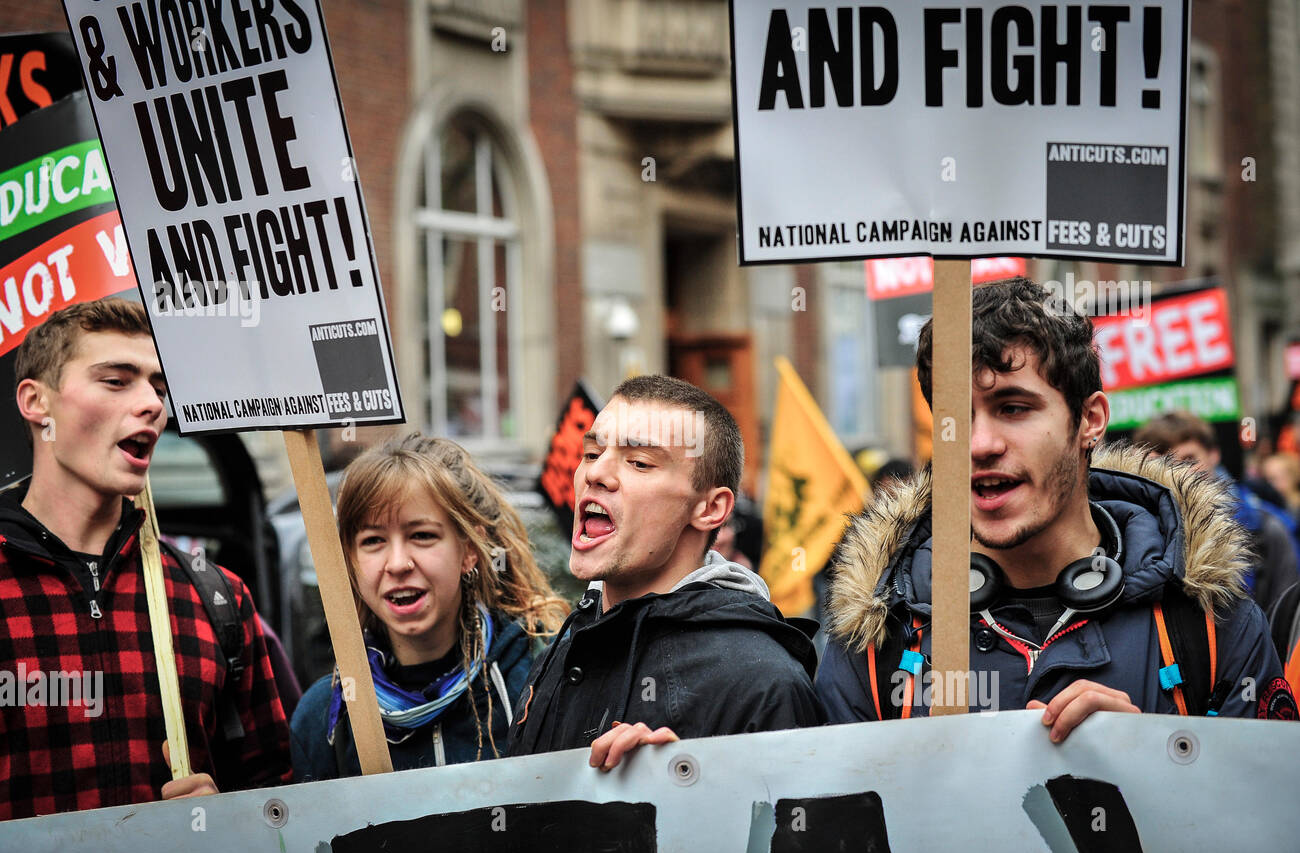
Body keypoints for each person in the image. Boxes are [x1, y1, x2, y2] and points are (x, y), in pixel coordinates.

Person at [818, 277, 1296, 734]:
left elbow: (1261, 810)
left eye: (1013, 408)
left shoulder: (1208, 624)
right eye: (953, 417)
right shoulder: (875, 638)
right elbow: (839, 814)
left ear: (1089, 420)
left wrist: (1153, 763)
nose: (979, 443)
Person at [0, 297, 291, 821]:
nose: (154, 405)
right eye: (116, 380)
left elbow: (282, 802)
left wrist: (230, 819)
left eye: (158, 388)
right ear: (36, 402)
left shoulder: (216, 597)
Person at [508, 375, 824, 767]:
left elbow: (791, 824)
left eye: (639, 462)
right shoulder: (565, 648)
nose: (594, 474)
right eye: (590, 454)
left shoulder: (763, 684)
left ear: (710, 509)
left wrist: (680, 788)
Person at [291, 434, 569, 778]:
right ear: (351, 562)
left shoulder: (542, 682)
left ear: (469, 551)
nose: (397, 563)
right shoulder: (323, 719)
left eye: (421, 535)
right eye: (373, 541)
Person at [1133, 411, 1300, 615]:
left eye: (1189, 459)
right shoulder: (1138, 534)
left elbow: (1288, 615)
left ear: (1213, 454)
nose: (1178, 472)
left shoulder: (1267, 528)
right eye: (1165, 463)